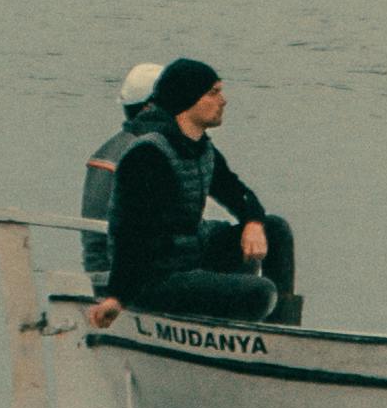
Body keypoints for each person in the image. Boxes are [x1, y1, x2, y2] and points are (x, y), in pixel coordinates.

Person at [87, 56, 301, 330]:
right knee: (260, 292)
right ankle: (240, 345)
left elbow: (239, 194)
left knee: (276, 229)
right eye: (213, 93)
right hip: (155, 277)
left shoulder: (201, 147)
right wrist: (117, 297)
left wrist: (254, 222)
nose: (223, 100)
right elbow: (128, 233)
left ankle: (285, 334)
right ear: (187, 101)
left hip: (191, 253)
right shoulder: (148, 155)